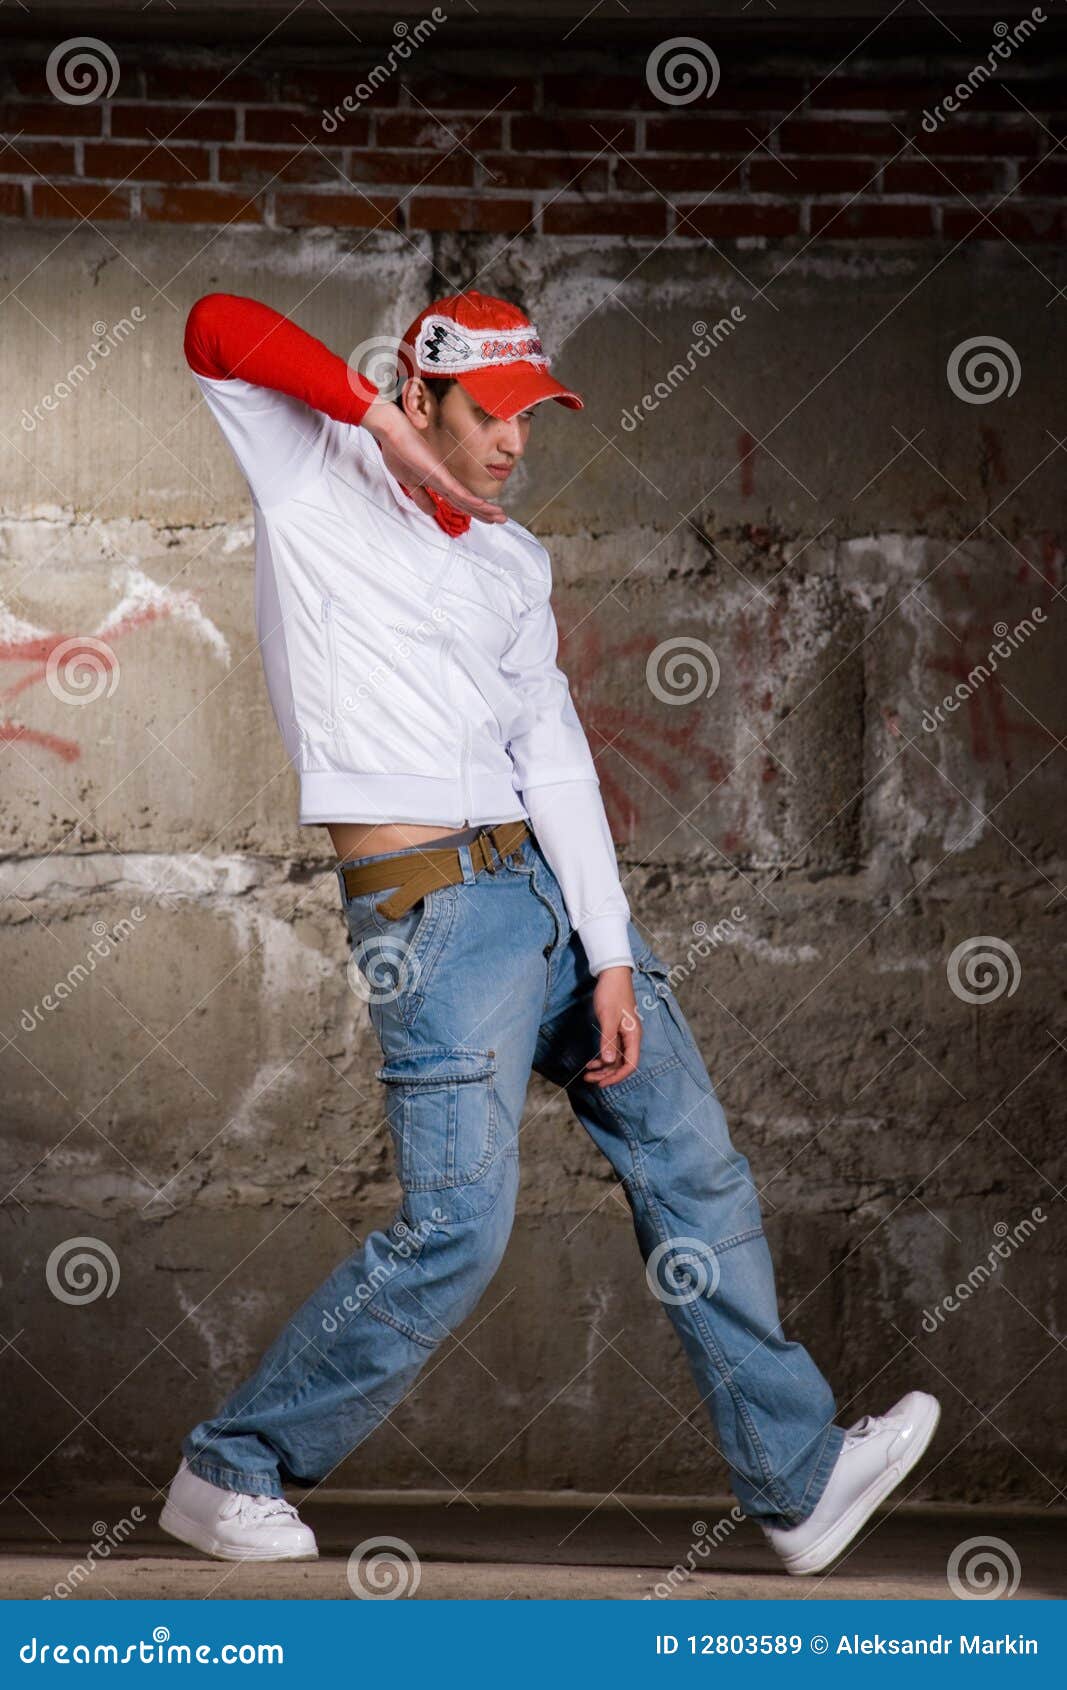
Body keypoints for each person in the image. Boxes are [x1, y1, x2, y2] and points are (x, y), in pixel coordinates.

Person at [158, 288, 939, 1575]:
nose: (515, 443)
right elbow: (212, 323)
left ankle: (797, 1483)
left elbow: (554, 756)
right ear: (421, 401)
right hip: (431, 916)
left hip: (543, 903)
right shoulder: (312, 478)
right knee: (456, 1230)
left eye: (532, 417)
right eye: (490, 416)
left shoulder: (513, 561)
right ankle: (229, 1469)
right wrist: (373, 428)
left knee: (692, 1163)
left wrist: (613, 953)